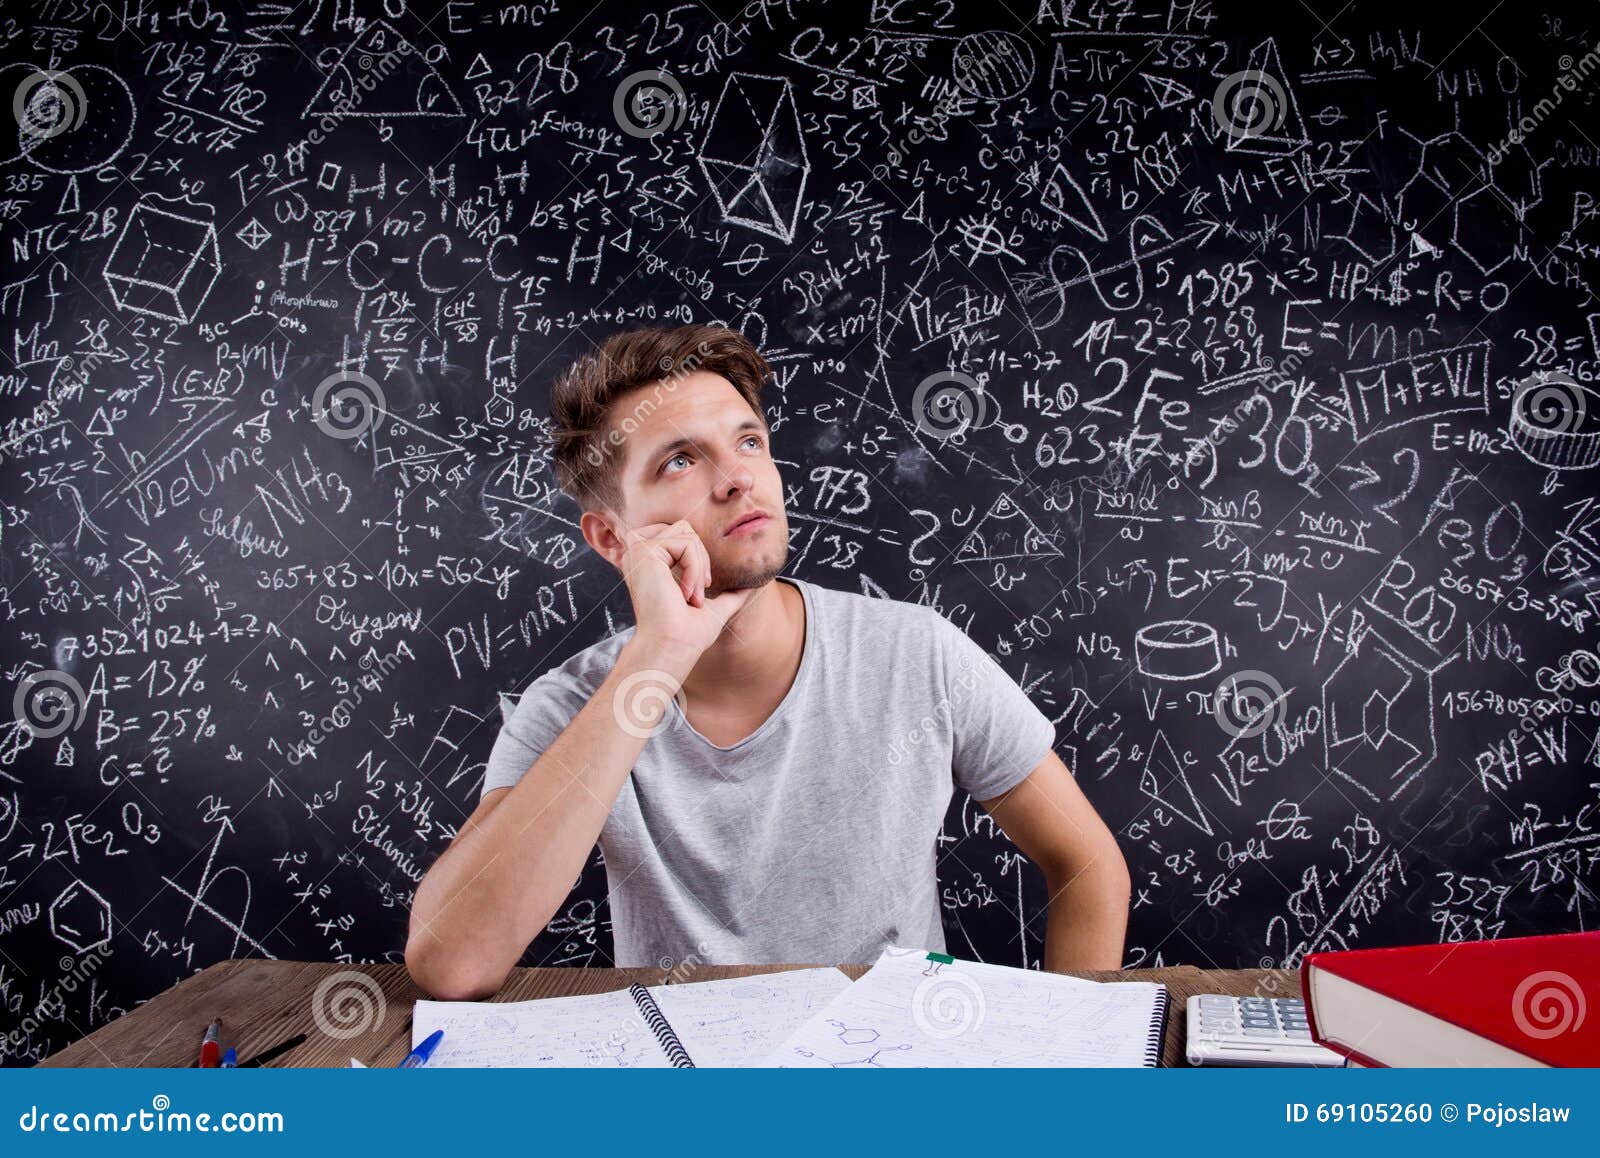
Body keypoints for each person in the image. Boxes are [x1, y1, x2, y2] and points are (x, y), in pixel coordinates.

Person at [405, 323, 1130, 999]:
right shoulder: (571, 708)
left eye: (748, 442)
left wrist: (1071, 1058)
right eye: (681, 460)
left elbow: (1088, 866)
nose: (737, 479)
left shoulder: (918, 653)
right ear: (611, 538)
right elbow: (452, 964)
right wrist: (659, 654)